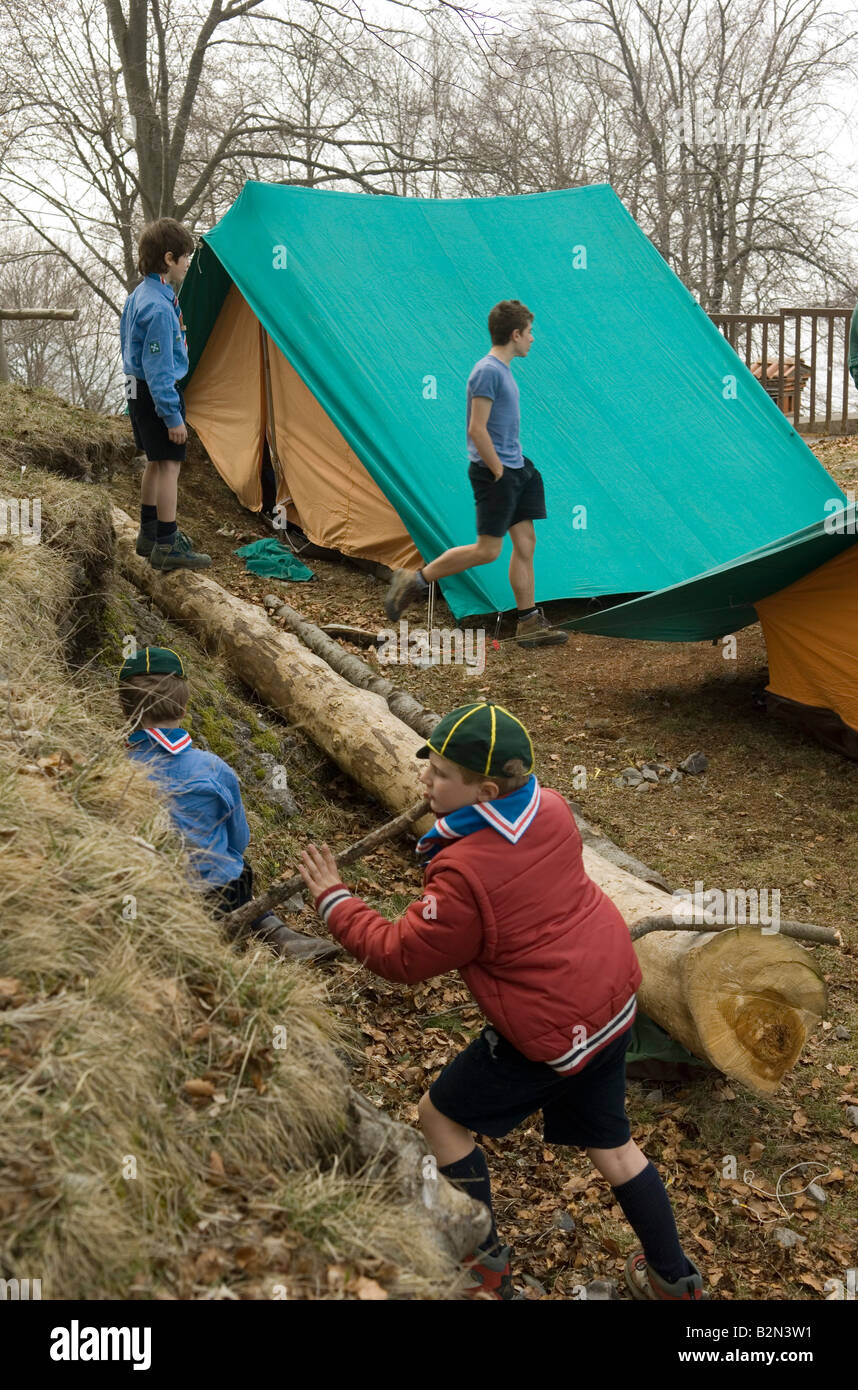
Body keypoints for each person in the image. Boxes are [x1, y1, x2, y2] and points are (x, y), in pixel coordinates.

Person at [297, 701, 702, 1300]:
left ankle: (480, 1263)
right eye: (427, 766)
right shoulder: (554, 807)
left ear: (486, 789)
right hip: (611, 1001)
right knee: (614, 1146)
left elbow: (400, 957)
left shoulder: (463, 875)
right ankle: (675, 1281)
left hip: (545, 1032)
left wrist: (335, 900)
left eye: (440, 776)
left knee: (441, 1117)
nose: (424, 781)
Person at [118, 646, 338, 962]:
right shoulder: (214, 767)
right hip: (219, 896)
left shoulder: (114, 772)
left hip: (151, 896)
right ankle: (274, 932)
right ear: (183, 708)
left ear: (125, 709)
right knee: (233, 866)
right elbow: (239, 840)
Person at [384, 300, 568, 648]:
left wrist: (515, 468)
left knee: (526, 542)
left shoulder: (503, 370)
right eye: (529, 333)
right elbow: (476, 429)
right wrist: (499, 471)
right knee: (487, 551)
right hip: (496, 472)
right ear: (515, 334)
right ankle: (415, 580)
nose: (532, 339)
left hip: (518, 467)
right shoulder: (487, 371)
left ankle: (528, 623)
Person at [120, 218, 211, 571]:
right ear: (169, 258)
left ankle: (149, 533)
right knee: (170, 465)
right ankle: (169, 544)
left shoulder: (137, 296)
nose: (189, 262)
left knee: (156, 462)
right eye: (186, 256)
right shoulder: (158, 306)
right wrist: (172, 416)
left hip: (137, 391)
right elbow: (158, 368)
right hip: (157, 393)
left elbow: (131, 351)